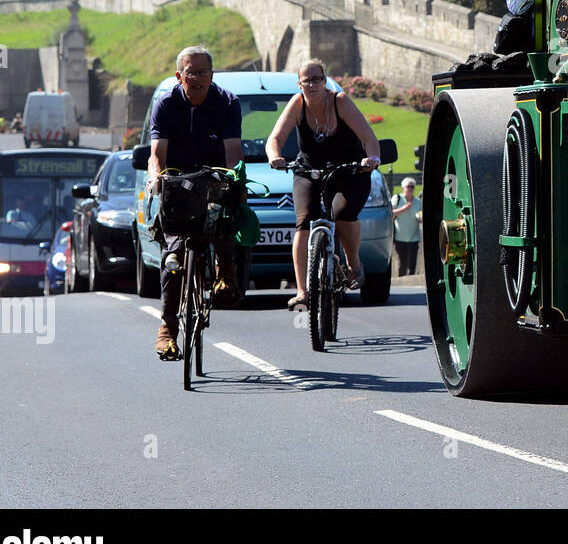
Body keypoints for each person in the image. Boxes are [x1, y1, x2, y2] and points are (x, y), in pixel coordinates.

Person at [147, 46, 244, 360]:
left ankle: (225, 267)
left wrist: (234, 181)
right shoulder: (165, 104)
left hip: (214, 180)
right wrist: (155, 178)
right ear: (180, 76)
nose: (198, 78)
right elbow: (156, 155)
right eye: (192, 72)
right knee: (172, 258)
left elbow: (233, 151)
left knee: (229, 215)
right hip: (177, 186)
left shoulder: (228, 103)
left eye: (204, 72)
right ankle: (167, 329)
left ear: (212, 75)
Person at [265, 59, 381, 309]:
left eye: (316, 78)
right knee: (303, 222)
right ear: (299, 84)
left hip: (349, 171)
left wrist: (371, 159)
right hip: (309, 170)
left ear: (325, 80)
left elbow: (369, 137)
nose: (312, 84)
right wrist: (275, 157)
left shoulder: (340, 102)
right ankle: (303, 291)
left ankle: (353, 265)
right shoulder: (297, 104)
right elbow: (274, 138)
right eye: (306, 80)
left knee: (342, 213)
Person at [391, 177, 421, 275]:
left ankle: (411, 281)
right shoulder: (397, 199)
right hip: (400, 237)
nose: (410, 188)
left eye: (412, 187)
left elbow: (421, 216)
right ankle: (401, 283)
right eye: (408, 186)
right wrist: (403, 209)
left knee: (412, 265)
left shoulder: (418, 202)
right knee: (401, 264)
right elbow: (390, 213)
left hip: (414, 237)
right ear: (403, 188)